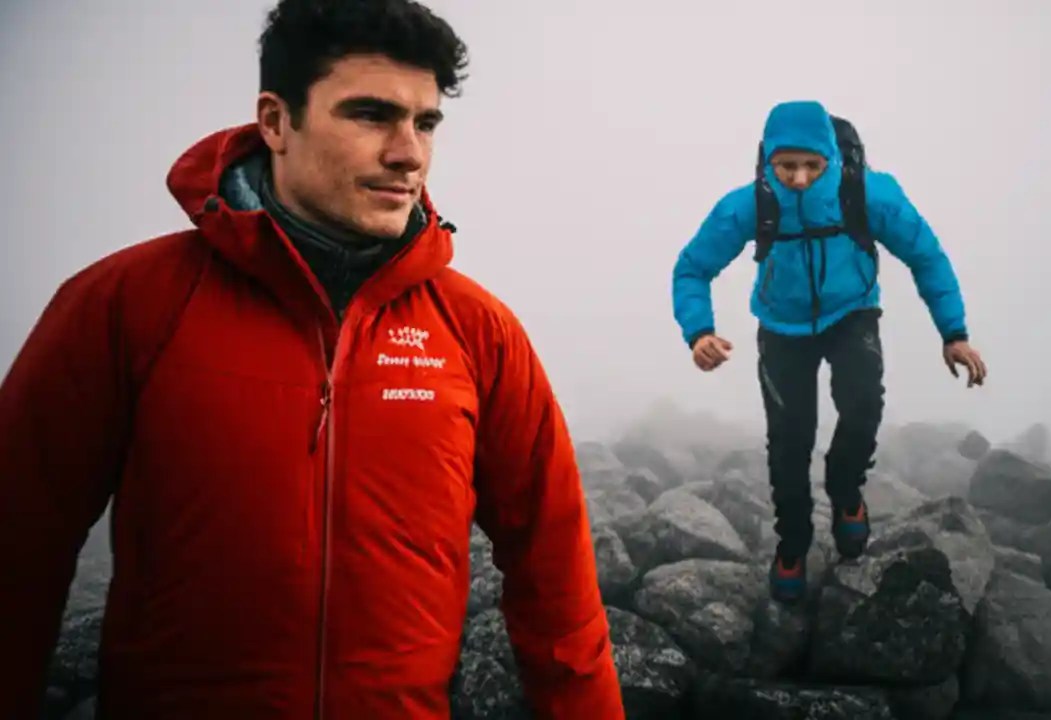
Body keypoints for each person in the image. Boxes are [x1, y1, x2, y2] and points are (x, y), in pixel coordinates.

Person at [0, 1, 625, 717]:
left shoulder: (476, 329)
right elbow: (17, 551)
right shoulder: (125, 305)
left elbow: (557, 579)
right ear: (275, 122)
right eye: (371, 115)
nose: (409, 152)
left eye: (425, 123)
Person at [671, 99, 987, 604]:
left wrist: (954, 333)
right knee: (790, 440)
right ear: (767, 161)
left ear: (830, 161)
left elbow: (926, 255)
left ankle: (846, 495)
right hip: (780, 327)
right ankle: (793, 545)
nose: (797, 178)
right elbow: (692, 267)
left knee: (863, 405)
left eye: (811, 166)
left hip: (851, 312)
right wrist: (698, 331)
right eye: (785, 166)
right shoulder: (750, 204)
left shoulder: (867, 194)